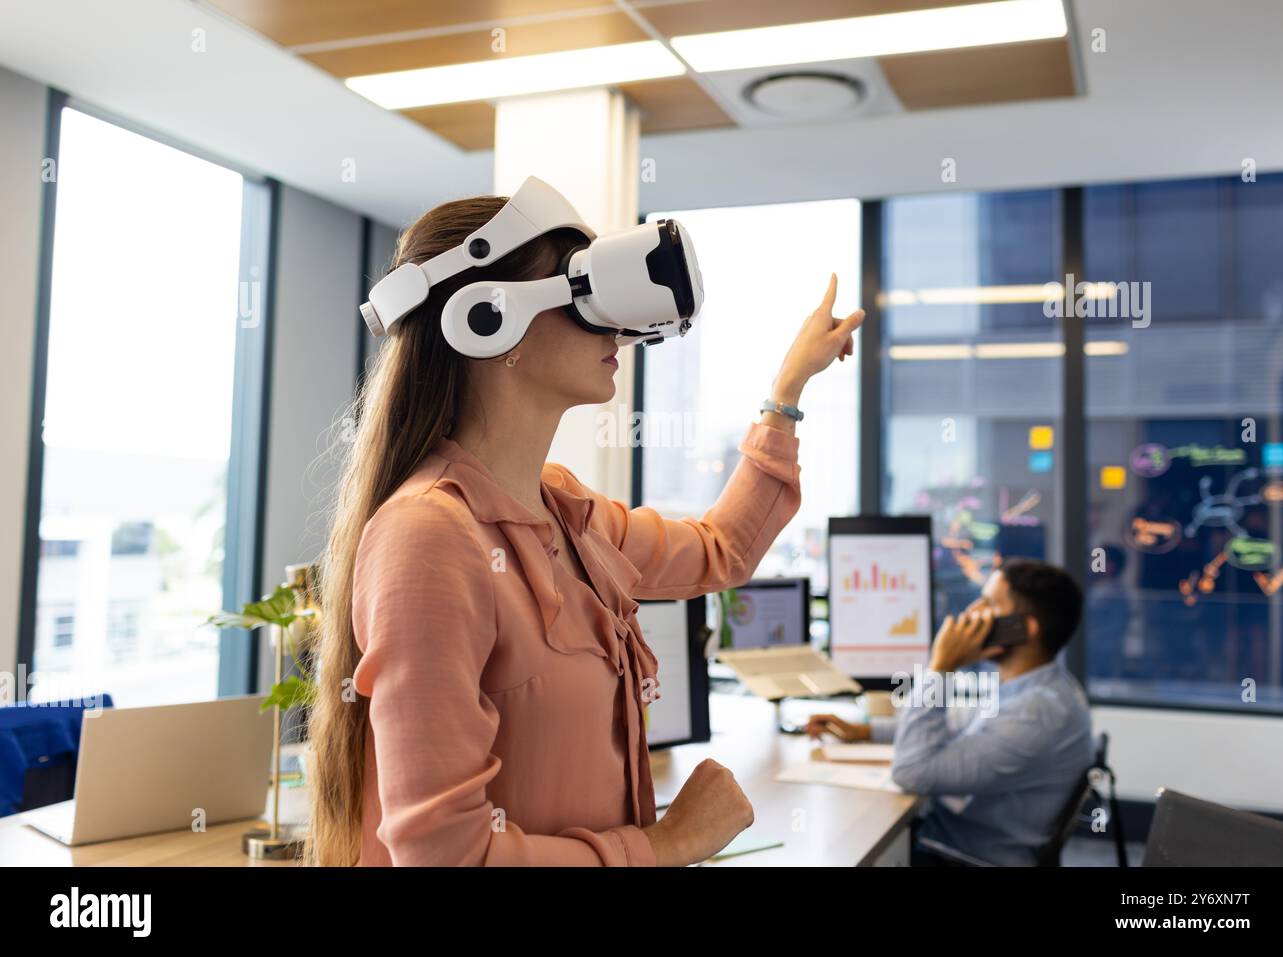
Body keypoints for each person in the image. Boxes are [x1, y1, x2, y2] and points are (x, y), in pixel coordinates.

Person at [306, 191, 864, 866]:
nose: (618, 330)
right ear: (487, 319)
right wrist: (667, 843)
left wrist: (787, 391)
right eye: (583, 292)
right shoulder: (429, 537)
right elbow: (443, 857)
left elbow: (723, 550)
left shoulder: (566, 514)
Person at [806, 559, 1093, 866]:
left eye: (989, 603)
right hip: (954, 837)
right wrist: (864, 731)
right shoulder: (1036, 686)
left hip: (960, 857)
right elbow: (959, 722)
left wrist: (941, 667)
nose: (971, 613)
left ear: (1026, 628)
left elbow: (912, 772)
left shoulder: (1037, 713)